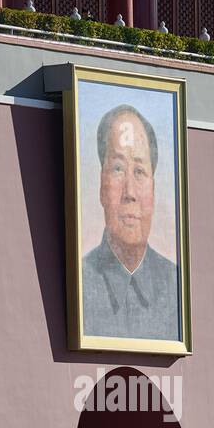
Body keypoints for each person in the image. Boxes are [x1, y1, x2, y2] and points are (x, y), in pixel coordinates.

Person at [81, 104, 179, 341]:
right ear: (101, 186)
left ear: (153, 190)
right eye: (117, 169)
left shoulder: (176, 286)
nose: (130, 192)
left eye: (139, 171)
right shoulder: (80, 283)